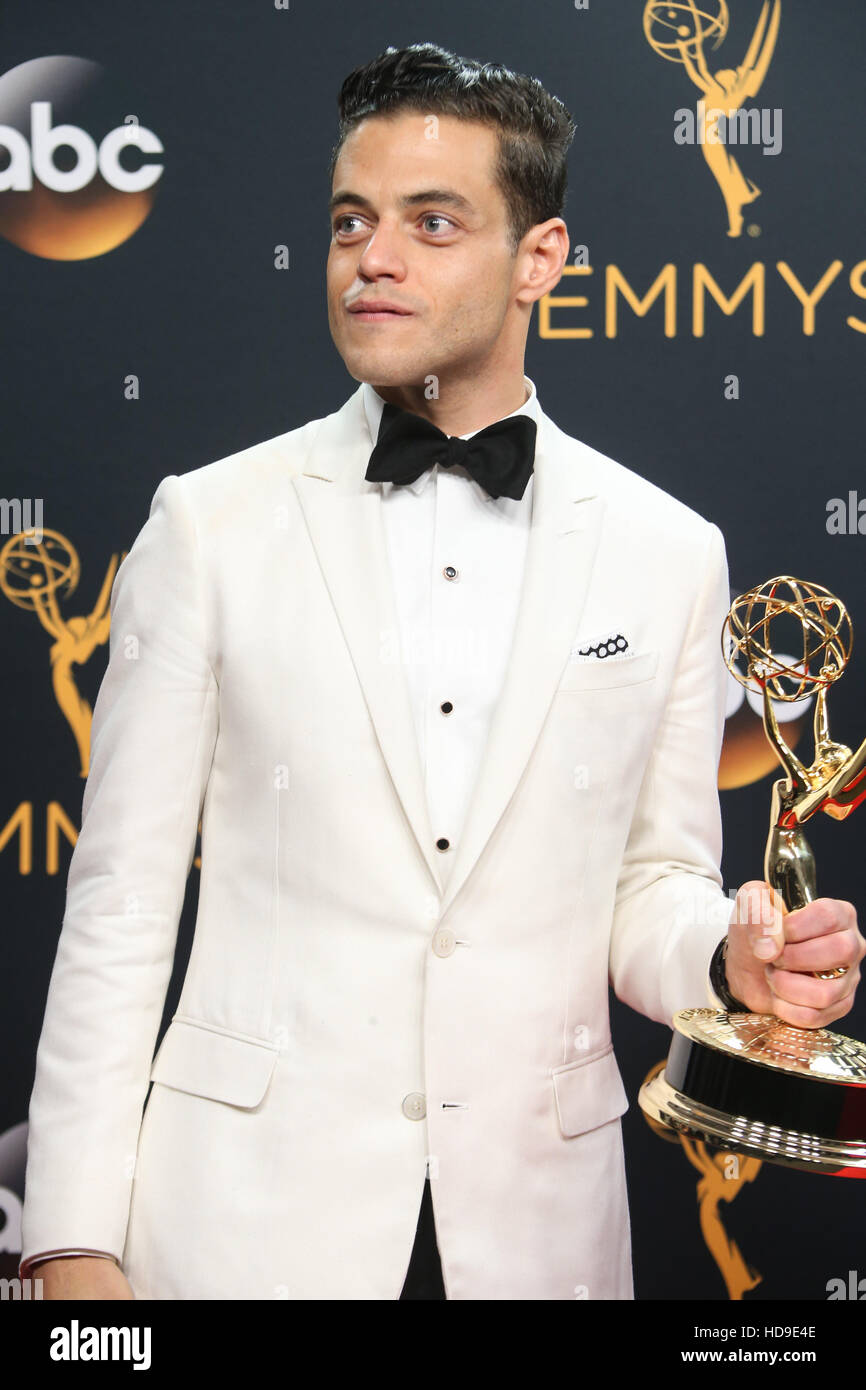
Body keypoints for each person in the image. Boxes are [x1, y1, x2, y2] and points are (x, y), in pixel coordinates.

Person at [19, 42, 864, 1301]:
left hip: (536, 1236)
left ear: (541, 258)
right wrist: (69, 1238)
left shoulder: (669, 549)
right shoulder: (209, 522)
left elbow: (652, 881)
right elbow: (121, 909)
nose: (373, 258)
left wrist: (728, 965)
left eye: (431, 222)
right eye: (351, 221)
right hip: (239, 1229)